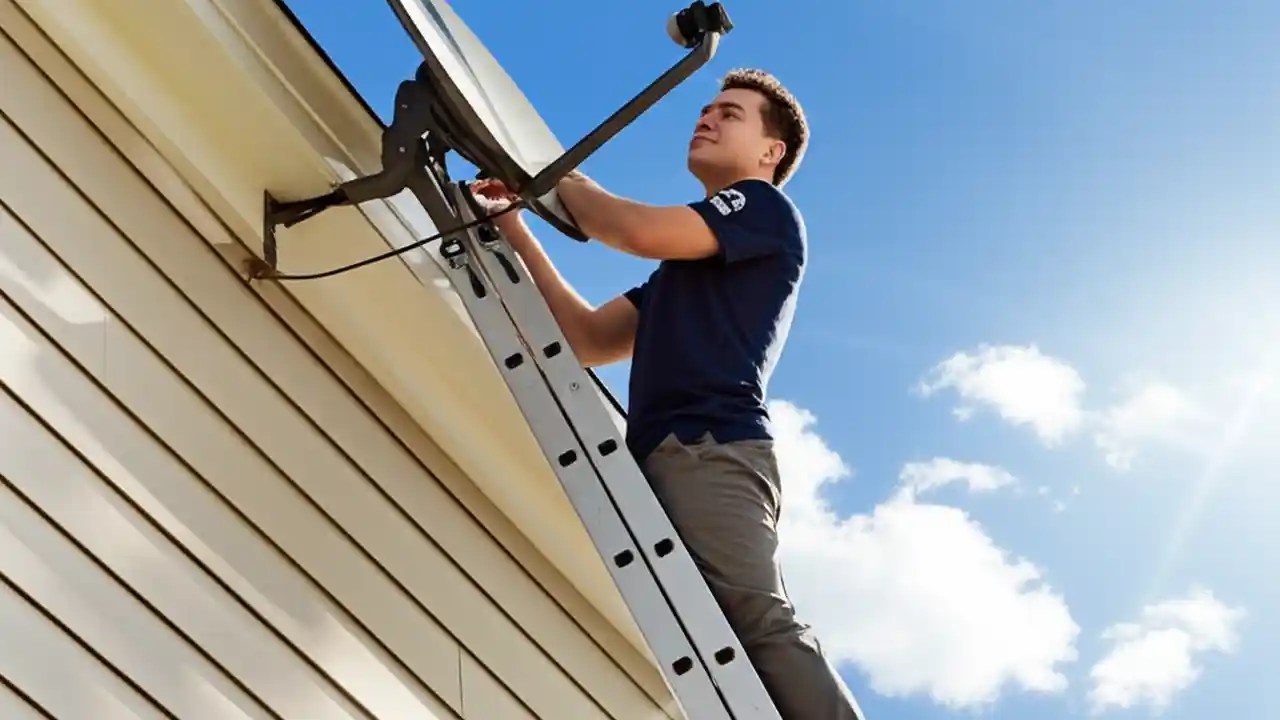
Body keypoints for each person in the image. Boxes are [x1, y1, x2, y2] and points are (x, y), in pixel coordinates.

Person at [472, 68, 864, 720]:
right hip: (671, 452)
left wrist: (549, 172)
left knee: (759, 623)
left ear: (771, 152)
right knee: (724, 641)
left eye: (730, 113)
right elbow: (589, 338)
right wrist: (518, 227)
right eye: (706, 109)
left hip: (713, 446)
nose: (705, 118)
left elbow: (635, 230)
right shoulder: (685, 271)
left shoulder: (763, 209)